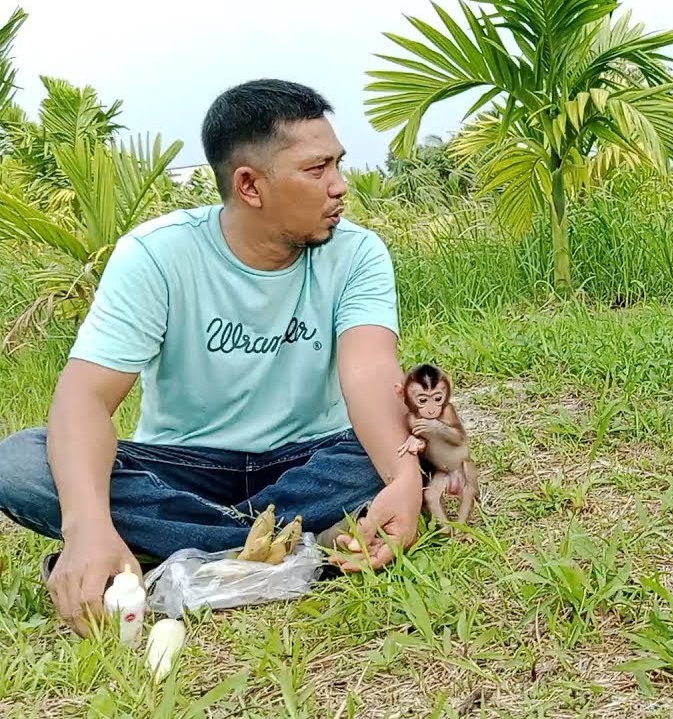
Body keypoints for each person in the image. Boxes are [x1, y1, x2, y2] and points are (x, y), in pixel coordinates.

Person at [0, 79, 425, 637]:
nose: (340, 187)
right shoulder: (157, 256)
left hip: (312, 457)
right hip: (185, 467)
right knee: (20, 463)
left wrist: (403, 475)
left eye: (338, 165)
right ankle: (294, 546)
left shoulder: (358, 252)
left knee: (418, 441)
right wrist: (86, 527)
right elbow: (85, 397)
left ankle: (176, 551)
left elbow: (370, 370)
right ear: (250, 185)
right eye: (317, 169)